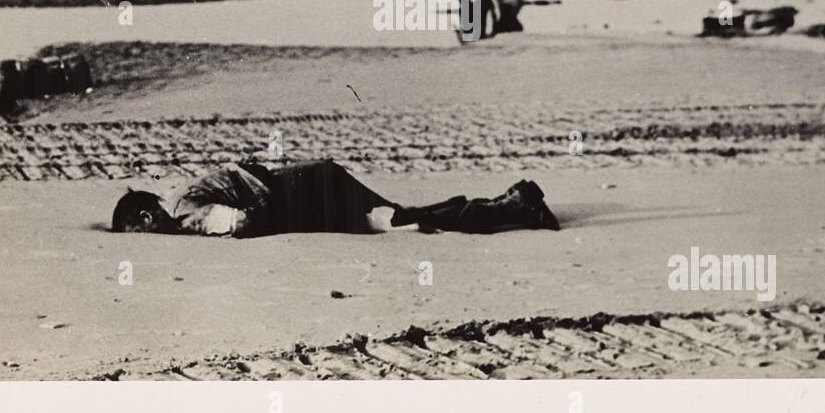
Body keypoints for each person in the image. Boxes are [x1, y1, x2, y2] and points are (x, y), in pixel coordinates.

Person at [111, 157, 559, 237]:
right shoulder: (179, 194)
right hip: (312, 181)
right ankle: (511, 202)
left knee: (403, 223)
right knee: (402, 218)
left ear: (148, 218)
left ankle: (515, 205)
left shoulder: (187, 213)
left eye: (137, 233)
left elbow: (242, 223)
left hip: (309, 196)